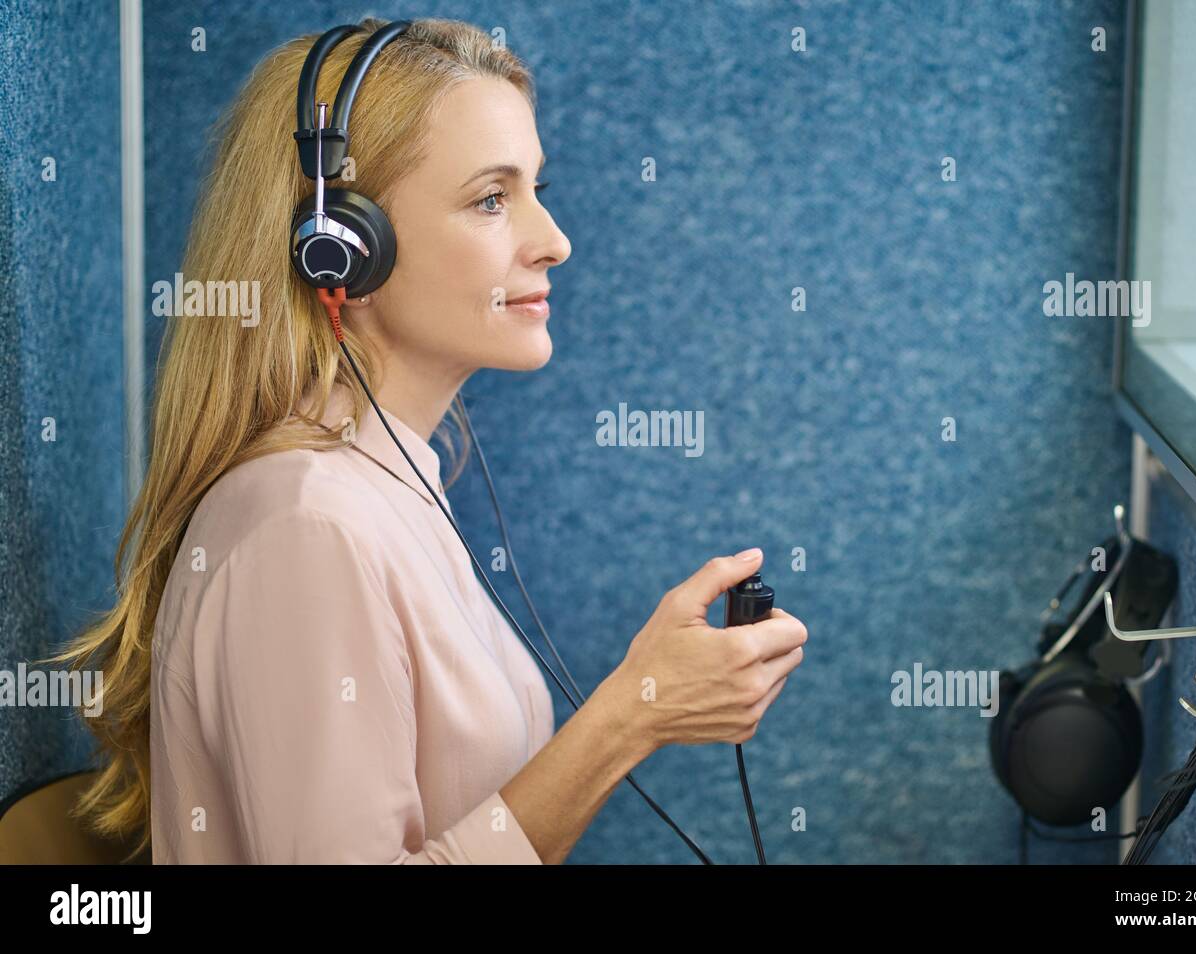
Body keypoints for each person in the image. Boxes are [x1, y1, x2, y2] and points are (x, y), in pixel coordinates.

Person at [52, 16, 807, 864]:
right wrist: (630, 715)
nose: (554, 243)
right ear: (340, 251)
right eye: (491, 199)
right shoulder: (306, 527)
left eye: (535, 192)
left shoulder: (393, 486)